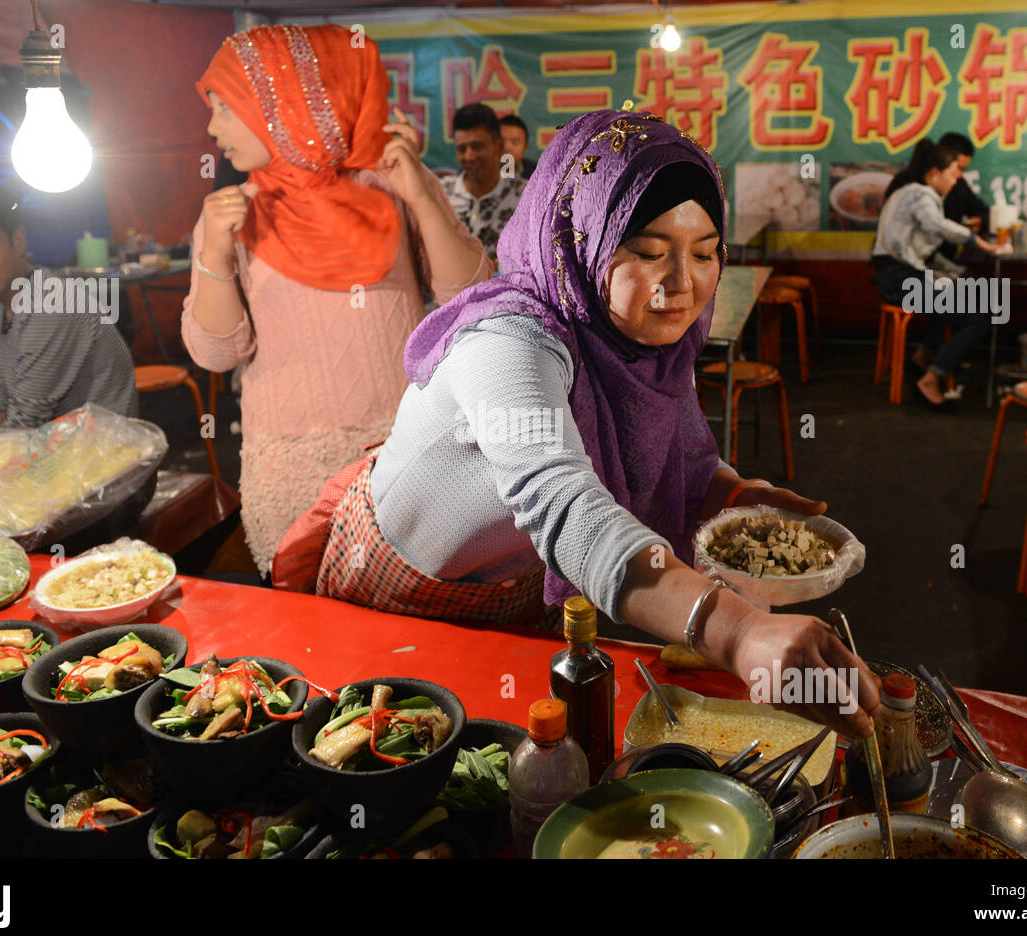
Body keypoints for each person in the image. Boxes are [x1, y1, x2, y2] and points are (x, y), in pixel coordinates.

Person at [301, 109, 879, 739]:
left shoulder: (643, 342)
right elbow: (567, 507)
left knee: (520, 751)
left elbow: (680, 453)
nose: (682, 285)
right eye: (648, 252)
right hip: (400, 593)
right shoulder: (505, 342)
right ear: (579, 241)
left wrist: (733, 498)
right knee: (390, 750)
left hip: (519, 587)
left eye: (707, 253)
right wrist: (737, 631)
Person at [184, 24, 491, 576]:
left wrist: (421, 197)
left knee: (419, 626)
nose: (211, 127)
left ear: (284, 104)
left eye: (226, 107)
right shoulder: (230, 214)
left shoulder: (392, 184)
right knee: (311, 637)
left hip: (408, 447)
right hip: (289, 468)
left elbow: (470, 301)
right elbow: (216, 353)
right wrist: (212, 252)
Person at [0, 178, 137, 428]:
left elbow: (23, 423)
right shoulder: (3, 302)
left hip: (101, 456)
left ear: (18, 240)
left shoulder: (49, 307)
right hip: (49, 448)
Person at [872, 138, 999, 410]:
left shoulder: (915, 193)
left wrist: (962, 275)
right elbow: (938, 226)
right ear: (934, 173)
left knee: (968, 291)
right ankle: (931, 378)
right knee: (977, 321)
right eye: (954, 174)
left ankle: (924, 357)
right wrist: (978, 242)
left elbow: (928, 253)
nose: (956, 181)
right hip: (899, 279)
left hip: (902, 275)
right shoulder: (920, 195)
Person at [440, 103, 527, 268]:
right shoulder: (440, 194)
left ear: (499, 146)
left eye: (477, 146)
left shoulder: (524, 195)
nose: (469, 156)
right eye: (462, 149)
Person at [938, 132, 989, 237]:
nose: (959, 175)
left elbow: (982, 210)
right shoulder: (915, 188)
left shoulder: (959, 184)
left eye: (963, 169)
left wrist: (980, 220)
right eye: (958, 168)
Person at [498, 114, 536, 179]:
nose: (507, 147)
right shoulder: (479, 172)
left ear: (525, 147)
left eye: (515, 142)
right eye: (501, 141)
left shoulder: (538, 173)